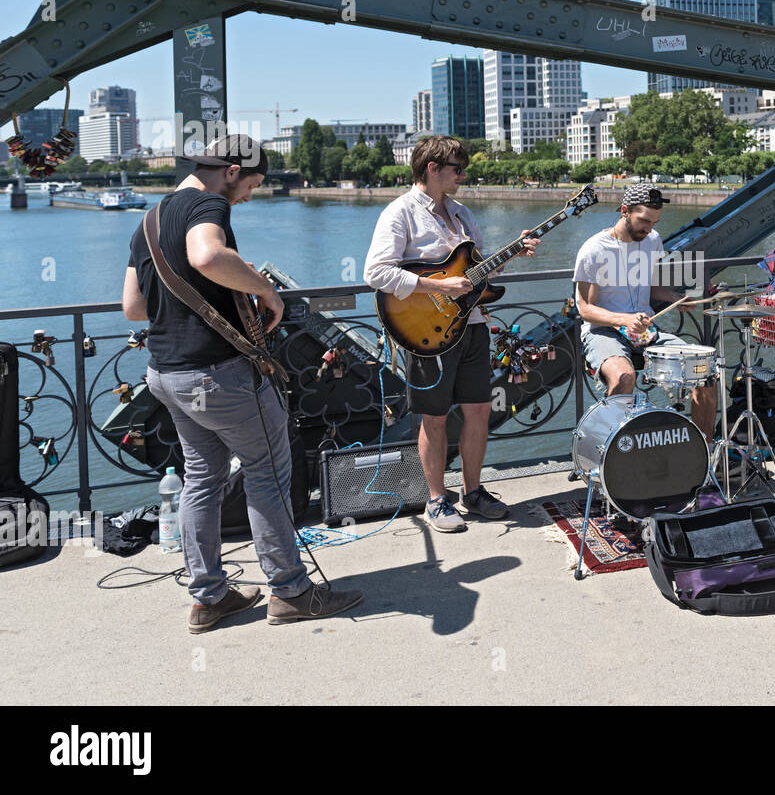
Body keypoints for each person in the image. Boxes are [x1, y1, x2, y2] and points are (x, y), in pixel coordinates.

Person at [122, 135, 363, 633]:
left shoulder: (149, 220)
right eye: (252, 183)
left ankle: (209, 598)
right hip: (218, 373)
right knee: (268, 473)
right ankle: (291, 592)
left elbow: (134, 308)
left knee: (201, 479)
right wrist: (265, 289)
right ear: (232, 170)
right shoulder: (207, 203)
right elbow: (207, 257)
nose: (250, 196)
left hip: (166, 375)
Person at [364, 136, 538, 533]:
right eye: (457, 168)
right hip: (427, 331)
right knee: (435, 418)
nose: (463, 175)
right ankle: (437, 500)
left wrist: (511, 255)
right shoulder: (400, 213)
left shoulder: (461, 214)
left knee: (479, 411)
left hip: (472, 325)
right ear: (433, 169)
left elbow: (477, 276)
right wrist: (440, 288)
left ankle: (473, 493)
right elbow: (376, 273)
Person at [573, 183, 717, 437]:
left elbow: (650, 287)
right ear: (625, 211)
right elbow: (585, 309)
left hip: (646, 331)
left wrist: (676, 297)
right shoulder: (594, 249)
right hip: (603, 331)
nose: (649, 228)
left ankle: (703, 452)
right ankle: (611, 451)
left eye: (655, 222)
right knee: (624, 378)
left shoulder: (652, 240)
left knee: (704, 371)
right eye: (644, 221)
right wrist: (624, 319)